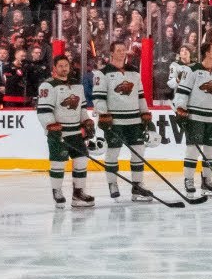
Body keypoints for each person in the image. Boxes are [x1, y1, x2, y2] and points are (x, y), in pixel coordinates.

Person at [91, 42, 153, 202]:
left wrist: (145, 112)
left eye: (123, 50)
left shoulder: (133, 72)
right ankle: (112, 183)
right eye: (118, 50)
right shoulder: (102, 73)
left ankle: (137, 186)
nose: (121, 53)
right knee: (113, 152)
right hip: (115, 120)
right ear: (111, 53)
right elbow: (98, 98)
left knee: (139, 152)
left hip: (134, 120)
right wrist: (103, 115)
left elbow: (140, 95)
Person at [173, 43, 212, 197]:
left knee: (211, 151)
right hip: (195, 117)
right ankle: (189, 179)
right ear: (206, 53)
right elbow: (182, 91)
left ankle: (207, 180)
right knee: (193, 149)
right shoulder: (192, 70)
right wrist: (180, 109)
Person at [36, 54, 94, 207]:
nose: (64, 68)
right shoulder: (47, 86)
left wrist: (86, 121)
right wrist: (51, 126)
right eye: (60, 66)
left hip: (75, 132)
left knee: (81, 161)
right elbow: (43, 111)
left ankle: (78, 193)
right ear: (54, 68)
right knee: (58, 163)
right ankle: (57, 191)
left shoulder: (77, 85)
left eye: (66, 65)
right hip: (59, 132)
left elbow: (82, 108)